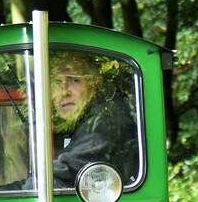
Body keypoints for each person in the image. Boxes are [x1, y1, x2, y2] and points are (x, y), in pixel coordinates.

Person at [48, 52, 138, 188]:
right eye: (57, 82)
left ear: (94, 84)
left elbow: (69, 173)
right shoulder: (76, 126)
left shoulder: (104, 121)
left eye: (74, 80)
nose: (64, 91)